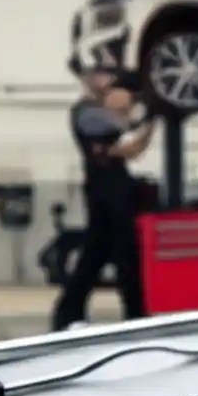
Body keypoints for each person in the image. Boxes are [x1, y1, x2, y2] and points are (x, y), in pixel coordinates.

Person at [51, 72, 156, 330]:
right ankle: (134, 314)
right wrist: (140, 109)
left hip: (116, 187)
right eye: (102, 76)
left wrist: (151, 122)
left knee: (96, 255)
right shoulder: (85, 111)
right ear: (88, 80)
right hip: (105, 191)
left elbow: (133, 150)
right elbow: (124, 133)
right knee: (124, 253)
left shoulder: (103, 114)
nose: (108, 83)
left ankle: (68, 313)